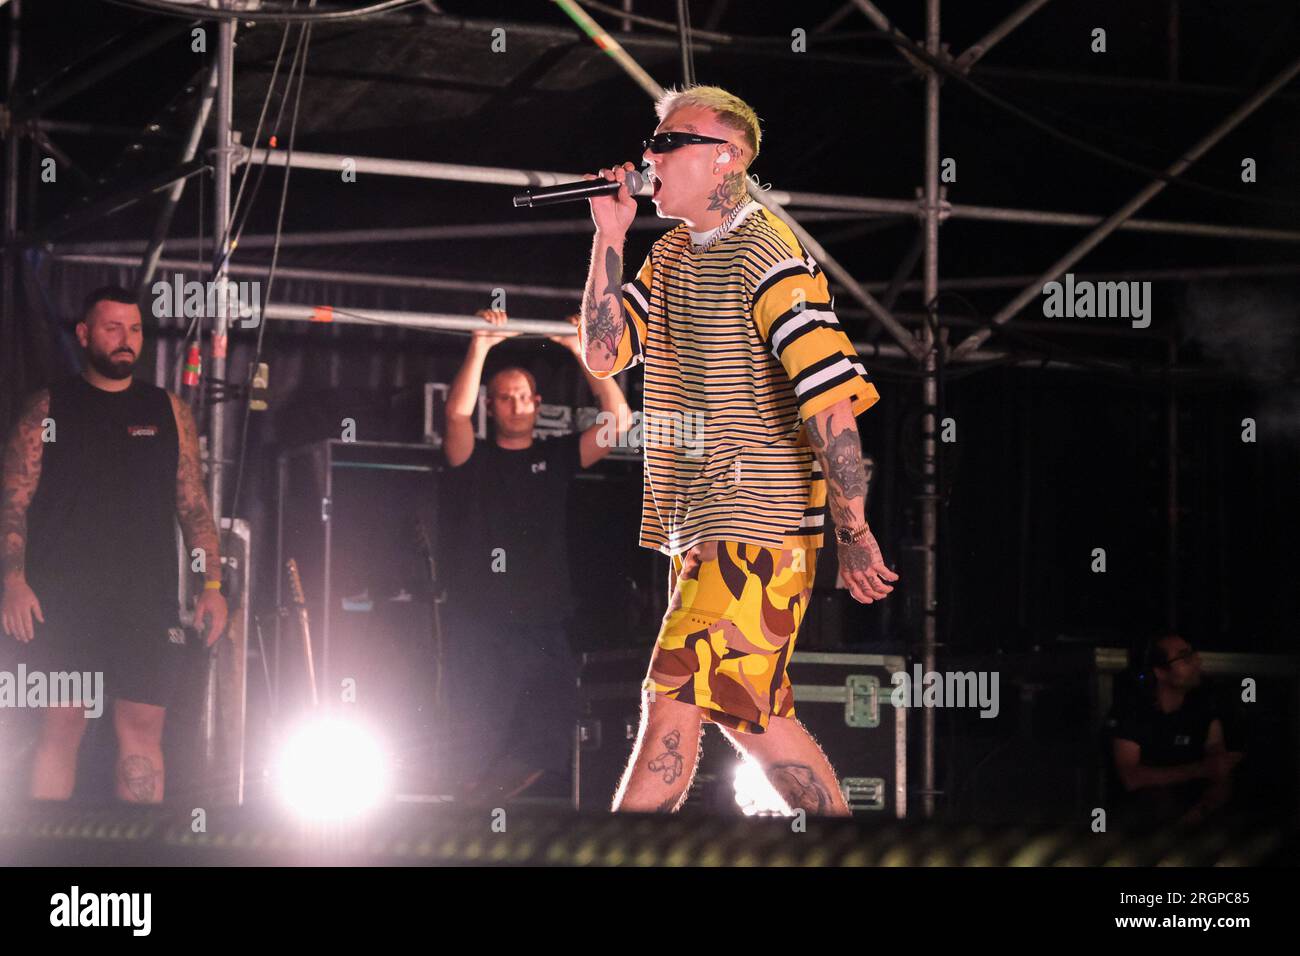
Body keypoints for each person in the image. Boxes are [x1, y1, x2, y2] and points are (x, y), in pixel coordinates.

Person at [577, 85, 899, 815]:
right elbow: (603, 352)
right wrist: (608, 234)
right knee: (752, 713)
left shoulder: (768, 251)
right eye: (651, 142)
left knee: (670, 697)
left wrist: (853, 530)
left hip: (755, 523)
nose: (649, 155)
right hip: (701, 529)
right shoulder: (668, 257)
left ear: (728, 156)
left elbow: (829, 396)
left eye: (668, 142)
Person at [1, 285, 228, 803]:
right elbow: (11, 501)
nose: (126, 340)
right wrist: (12, 580)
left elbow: (193, 506)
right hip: (63, 602)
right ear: (84, 335)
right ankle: (47, 858)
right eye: (112, 328)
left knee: (144, 731)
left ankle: (139, 863)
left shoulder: (168, 411)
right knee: (60, 729)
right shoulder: (49, 409)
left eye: (135, 330)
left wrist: (211, 584)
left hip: (145, 605)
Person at [439, 308, 630, 801]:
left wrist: (581, 352)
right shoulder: (474, 458)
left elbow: (619, 421)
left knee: (550, 733)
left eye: (524, 397)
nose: (516, 405)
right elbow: (456, 416)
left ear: (537, 403)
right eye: (505, 398)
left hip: (542, 623)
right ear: (493, 405)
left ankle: (487, 804)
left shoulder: (557, 457)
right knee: (473, 733)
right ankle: (467, 812)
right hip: (481, 622)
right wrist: (480, 344)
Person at [1107, 633, 1245, 828]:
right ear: (1160, 672)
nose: (1197, 662)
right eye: (1185, 657)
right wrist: (1200, 769)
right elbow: (1131, 777)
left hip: (1195, 819)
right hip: (1141, 825)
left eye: (1194, 655)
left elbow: (1219, 766)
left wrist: (1201, 810)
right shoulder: (1133, 712)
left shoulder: (1204, 709)